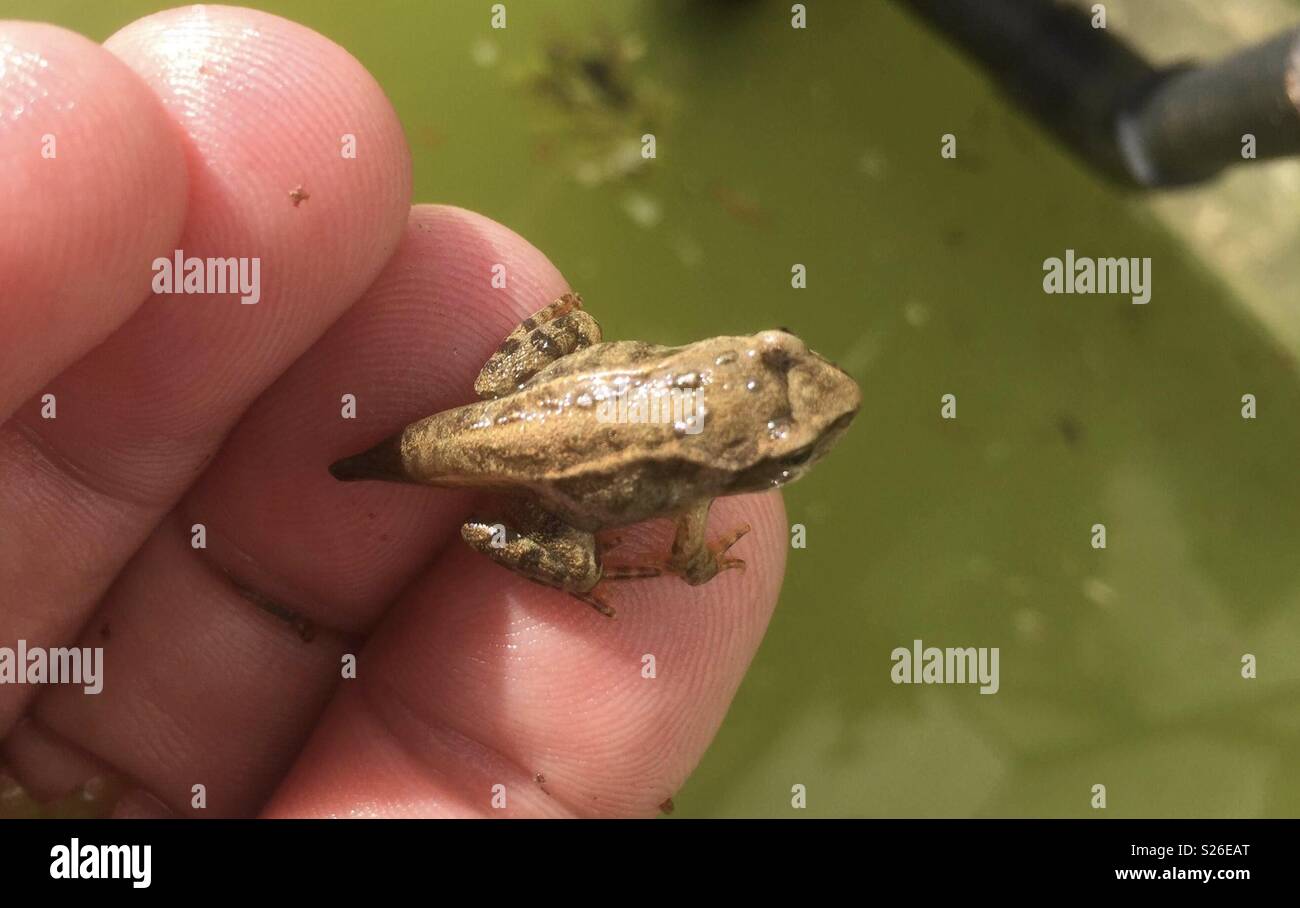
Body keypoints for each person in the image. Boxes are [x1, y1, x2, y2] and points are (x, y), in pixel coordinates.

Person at [0, 5, 785, 818]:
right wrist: (694, 560)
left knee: (576, 324)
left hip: (509, 401)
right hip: (524, 489)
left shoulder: (703, 370)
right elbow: (692, 567)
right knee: (582, 564)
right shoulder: (700, 491)